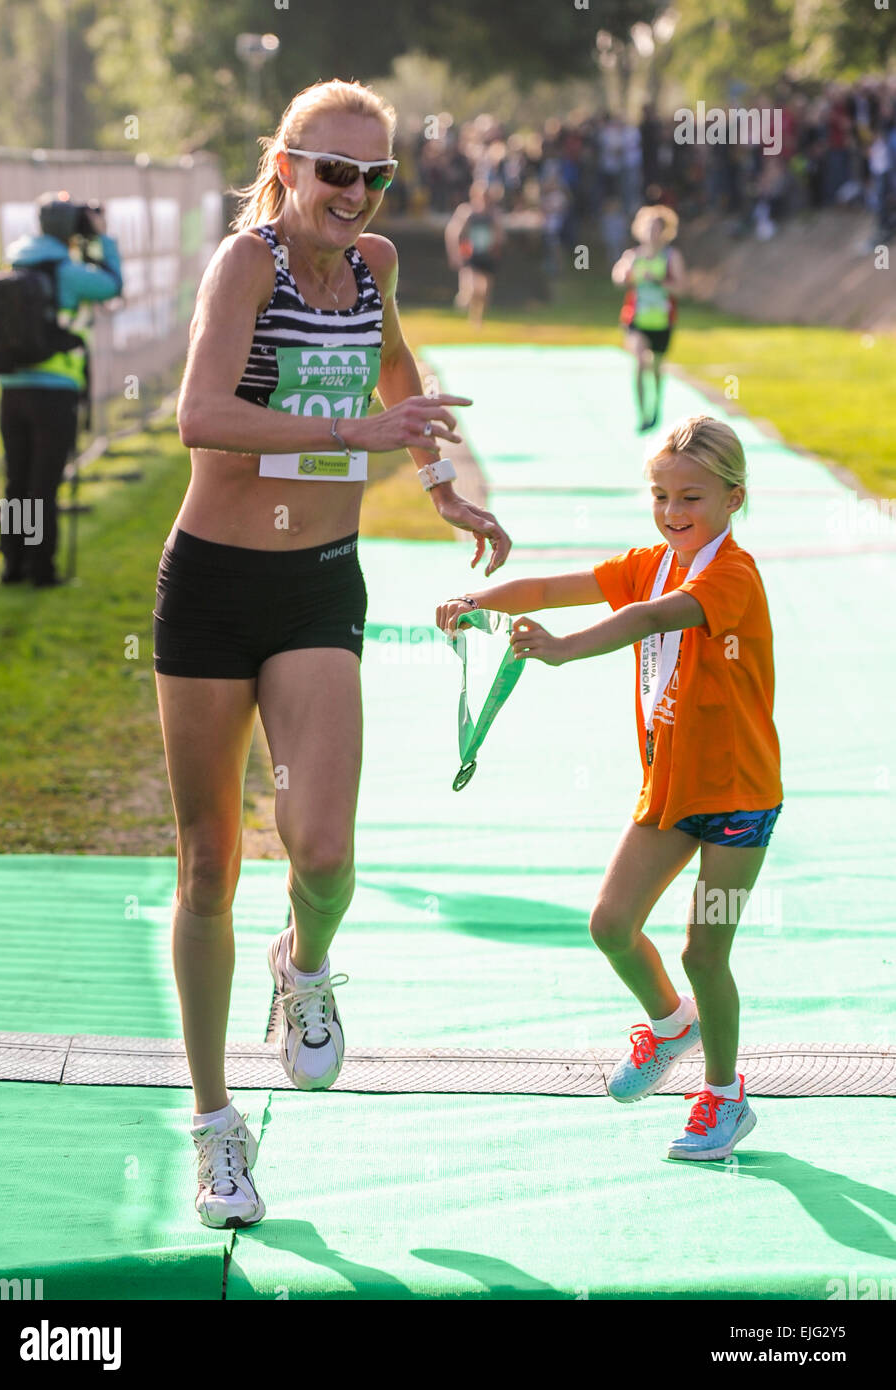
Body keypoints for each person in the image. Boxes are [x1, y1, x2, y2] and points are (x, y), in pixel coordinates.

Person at [155, 78, 512, 1229]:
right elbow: (199, 413)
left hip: (318, 584)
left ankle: (301, 964)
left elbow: (397, 370)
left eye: (376, 176)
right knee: (209, 861)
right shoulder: (244, 264)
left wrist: (440, 480)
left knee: (322, 849)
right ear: (288, 164)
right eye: (335, 171)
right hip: (213, 585)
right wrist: (345, 430)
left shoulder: (375, 269)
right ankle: (215, 1129)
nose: (355, 194)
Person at [436, 416, 782, 1162]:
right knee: (610, 924)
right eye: (660, 495)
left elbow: (651, 619)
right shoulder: (652, 560)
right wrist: (480, 601)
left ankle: (724, 1097)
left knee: (702, 954)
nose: (673, 511)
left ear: (734, 498)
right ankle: (669, 1027)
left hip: (738, 800)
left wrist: (562, 651)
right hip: (671, 793)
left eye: (691, 496)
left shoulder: (730, 574)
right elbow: (562, 585)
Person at [0, 193, 122, 586]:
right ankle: (41, 570)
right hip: (54, 391)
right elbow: (112, 285)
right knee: (43, 484)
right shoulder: (67, 271)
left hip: (11, 389)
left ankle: (12, 566)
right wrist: (102, 240)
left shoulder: (16, 262)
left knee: (17, 481)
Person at [612, 204, 685, 434]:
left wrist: (659, 281)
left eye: (657, 229)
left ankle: (655, 408)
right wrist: (626, 275)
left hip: (662, 321)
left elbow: (682, 288)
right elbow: (618, 276)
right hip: (637, 319)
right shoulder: (633, 256)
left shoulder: (671, 257)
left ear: (664, 232)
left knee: (655, 367)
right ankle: (643, 414)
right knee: (640, 361)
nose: (652, 233)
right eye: (649, 228)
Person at [445, 180, 504, 328]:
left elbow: (499, 234)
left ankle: (477, 320)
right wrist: (454, 254)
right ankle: (464, 298)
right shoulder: (466, 212)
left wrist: (497, 247)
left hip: (486, 255)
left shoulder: (493, 214)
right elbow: (453, 233)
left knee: (484, 291)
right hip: (470, 254)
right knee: (472, 288)